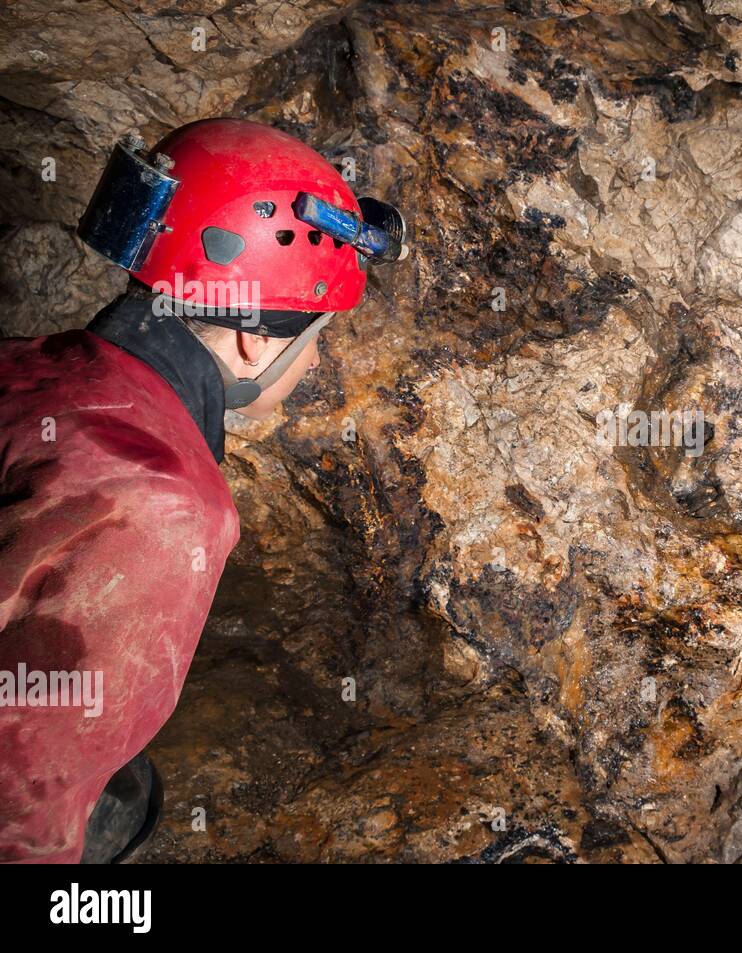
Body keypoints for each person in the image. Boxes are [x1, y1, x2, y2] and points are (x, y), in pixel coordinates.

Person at [0, 118, 407, 863]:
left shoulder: (28, 365)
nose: (315, 364)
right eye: (317, 337)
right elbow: (15, 801)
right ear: (256, 339)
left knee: (123, 792)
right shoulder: (168, 507)